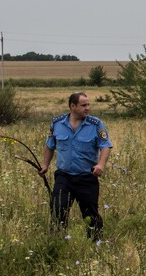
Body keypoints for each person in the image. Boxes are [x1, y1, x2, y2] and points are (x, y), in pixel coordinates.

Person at [39, 92, 113, 240]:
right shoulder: (57, 123)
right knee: (58, 210)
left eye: (88, 105)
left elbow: (105, 146)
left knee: (90, 214)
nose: (87, 108)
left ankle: (96, 243)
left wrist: (100, 164)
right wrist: (45, 165)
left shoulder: (95, 124)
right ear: (72, 106)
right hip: (64, 177)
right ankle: (57, 242)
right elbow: (50, 145)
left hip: (87, 177)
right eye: (83, 105)